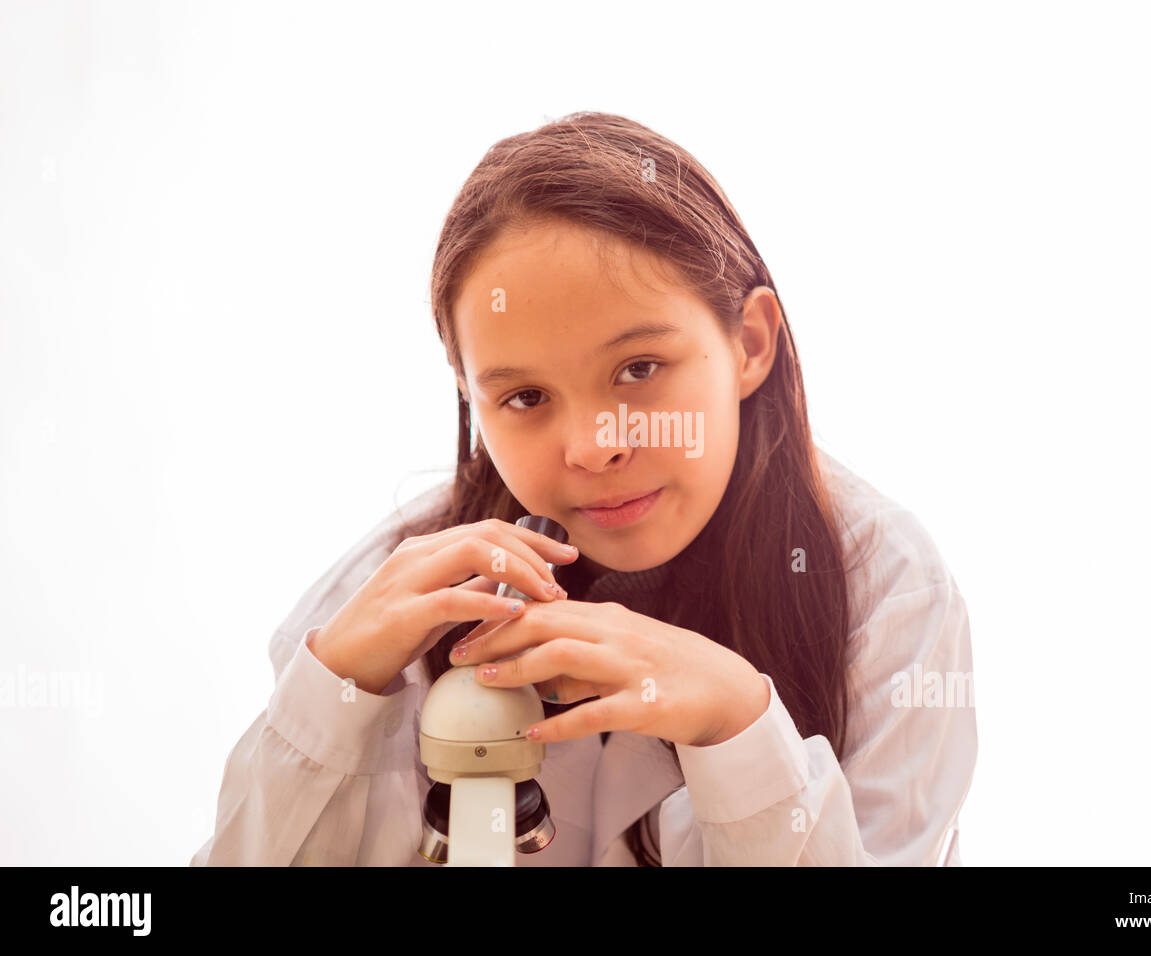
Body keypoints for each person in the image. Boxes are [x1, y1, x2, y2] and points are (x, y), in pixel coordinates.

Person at [191, 111, 977, 866]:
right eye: (526, 399)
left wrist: (738, 725)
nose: (595, 448)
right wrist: (331, 699)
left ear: (749, 342)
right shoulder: (389, 599)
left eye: (639, 370)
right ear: (471, 398)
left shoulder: (891, 590)